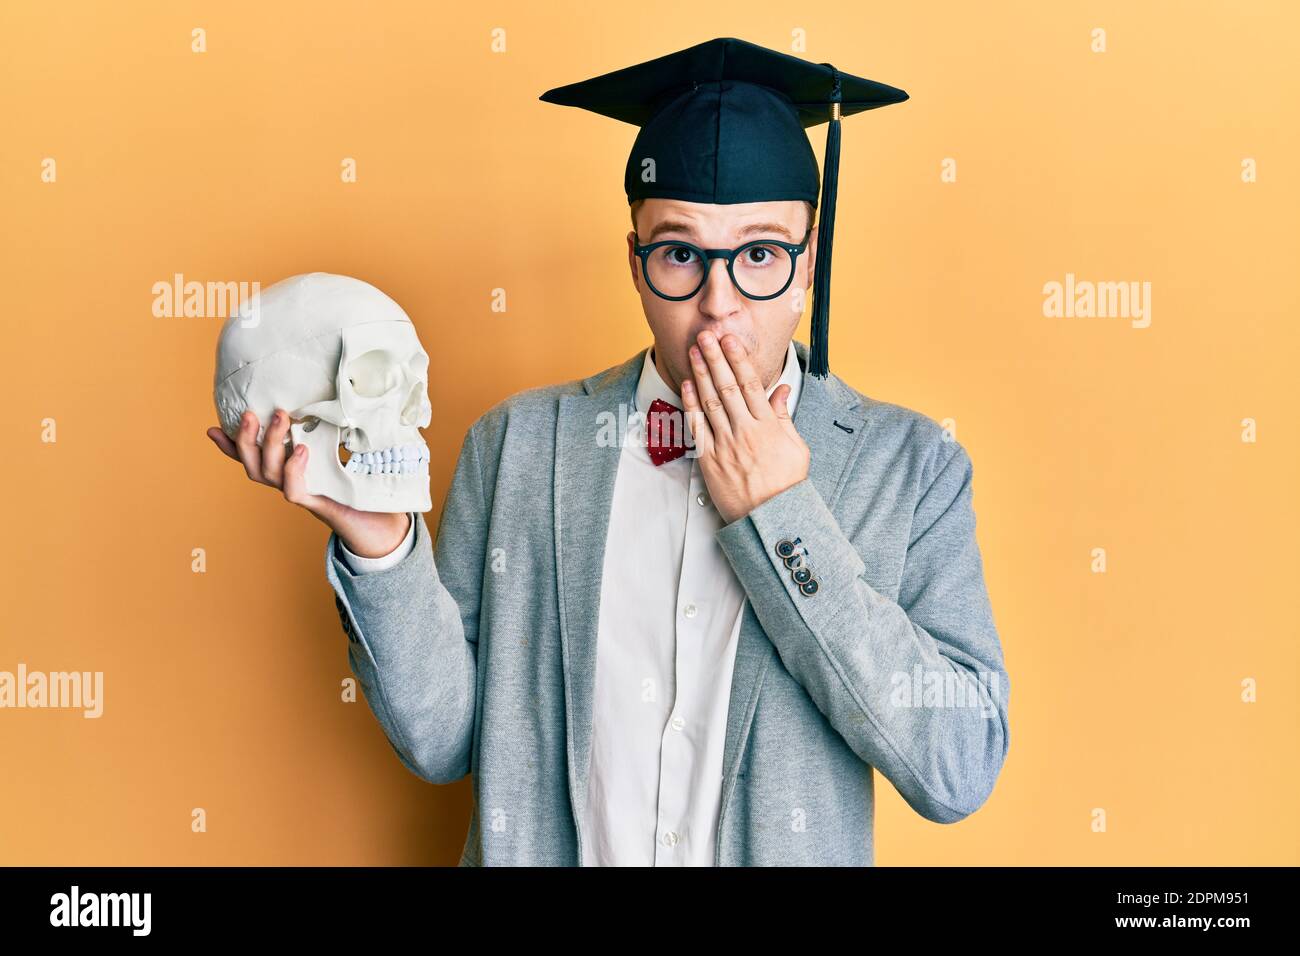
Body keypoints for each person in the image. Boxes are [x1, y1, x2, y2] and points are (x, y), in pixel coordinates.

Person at [207, 37, 1010, 866]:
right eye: (680, 254)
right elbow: (444, 741)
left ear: (808, 267)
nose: (718, 305)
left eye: (761, 255)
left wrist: (781, 516)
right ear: (635, 263)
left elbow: (958, 768)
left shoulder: (913, 468)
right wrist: (377, 545)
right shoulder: (518, 444)